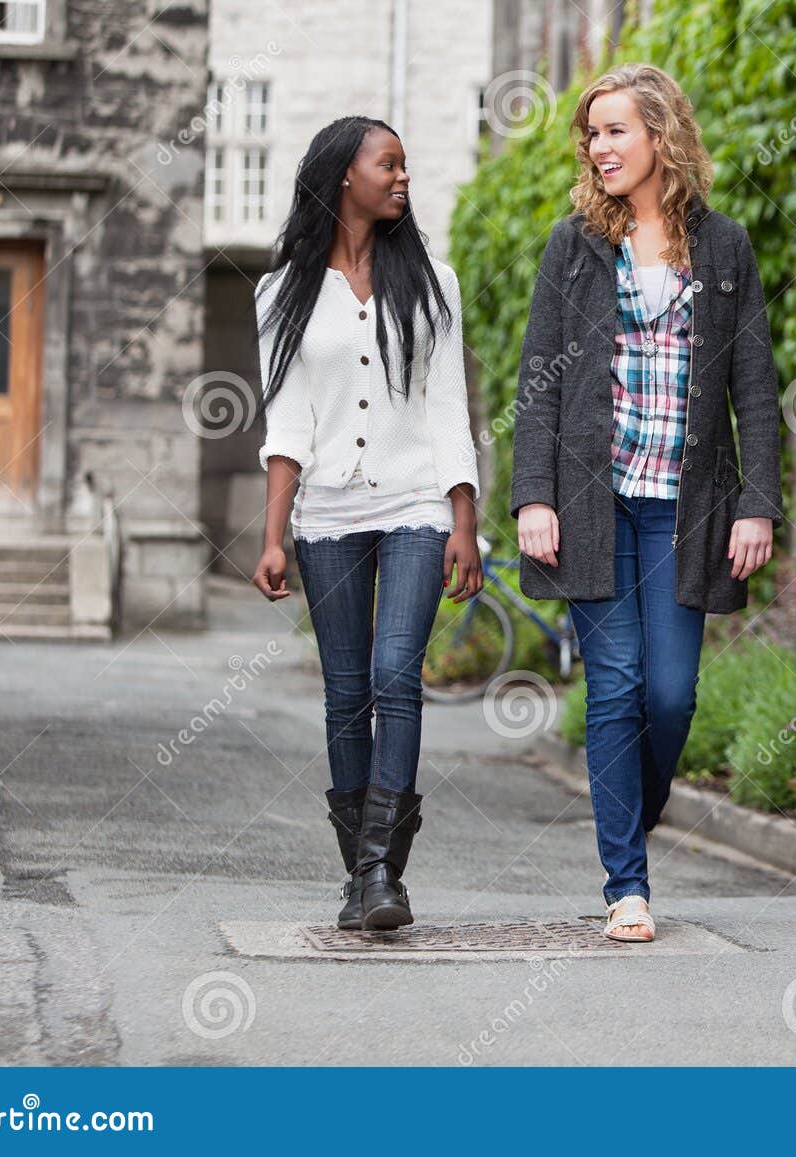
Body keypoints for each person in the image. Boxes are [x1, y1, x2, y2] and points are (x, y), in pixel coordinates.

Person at [509, 64, 784, 942]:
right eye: (591, 134)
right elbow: (537, 384)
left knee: (670, 697)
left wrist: (758, 502)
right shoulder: (573, 245)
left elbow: (757, 387)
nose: (598, 148)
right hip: (594, 506)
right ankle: (627, 883)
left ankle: (635, 805)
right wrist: (533, 496)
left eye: (615, 130)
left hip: (686, 507)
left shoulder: (726, 246)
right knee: (617, 686)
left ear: (660, 135)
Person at [250, 115, 482, 932]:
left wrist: (464, 515)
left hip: (416, 500)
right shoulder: (280, 291)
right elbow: (286, 422)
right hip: (327, 512)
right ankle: (362, 879)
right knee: (346, 693)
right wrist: (274, 534)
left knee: (395, 674)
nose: (402, 176)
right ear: (344, 174)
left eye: (405, 164)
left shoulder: (434, 282)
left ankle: (384, 871)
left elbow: (449, 402)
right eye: (389, 163)